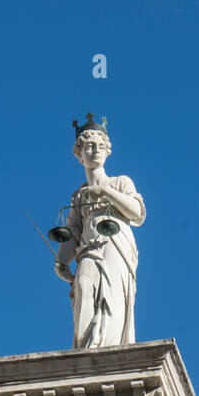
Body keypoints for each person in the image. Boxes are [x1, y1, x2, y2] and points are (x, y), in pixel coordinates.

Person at [54, 117, 146, 347]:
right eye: (89, 146)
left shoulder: (120, 182)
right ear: (79, 154)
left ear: (107, 152)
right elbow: (73, 234)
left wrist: (105, 192)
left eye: (100, 147)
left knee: (111, 298)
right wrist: (62, 262)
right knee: (84, 285)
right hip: (89, 249)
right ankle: (85, 350)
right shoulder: (78, 196)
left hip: (116, 246)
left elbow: (136, 211)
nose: (95, 151)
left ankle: (106, 345)